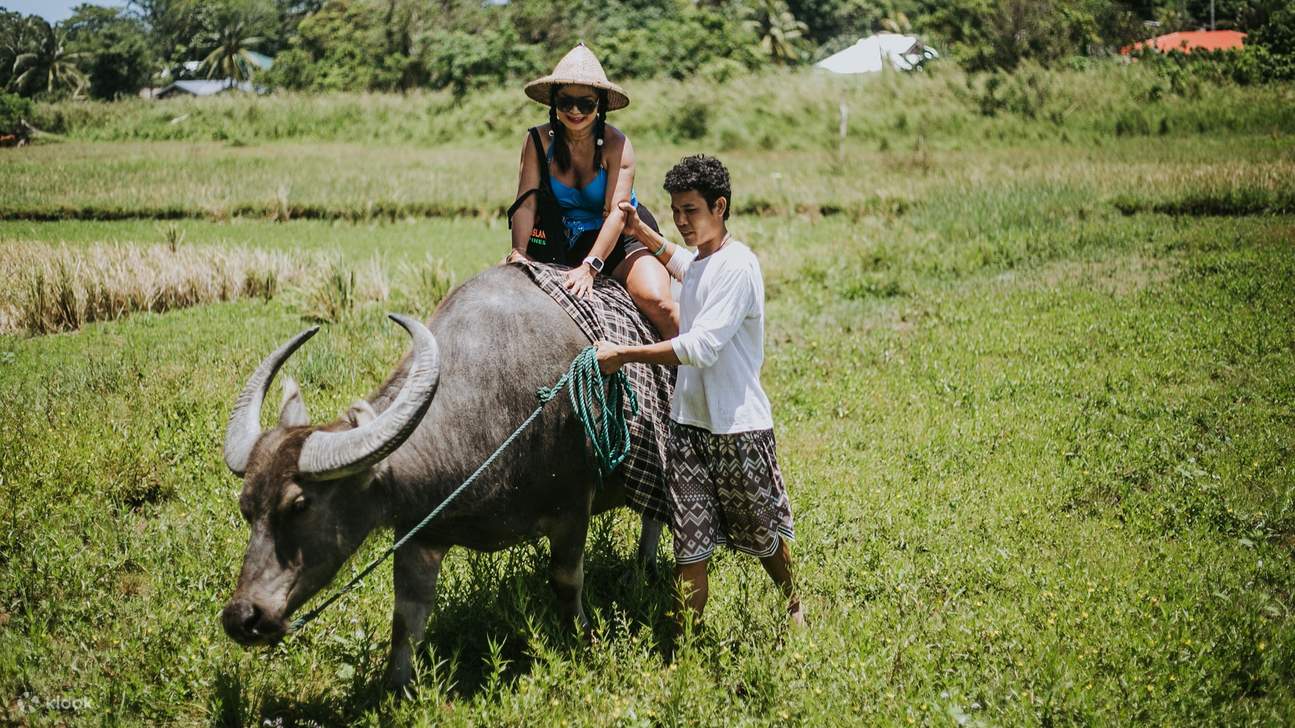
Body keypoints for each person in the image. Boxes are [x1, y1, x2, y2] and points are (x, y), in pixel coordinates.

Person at [595, 154, 803, 628]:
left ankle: (794, 601)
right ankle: (685, 646)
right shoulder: (706, 261)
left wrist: (624, 354)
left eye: (690, 210)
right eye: (675, 210)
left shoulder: (738, 266)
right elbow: (686, 266)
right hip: (687, 426)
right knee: (689, 545)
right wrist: (645, 235)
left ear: (720, 206)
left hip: (736, 427)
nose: (681, 220)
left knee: (762, 534)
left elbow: (702, 346)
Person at [507, 43, 678, 338]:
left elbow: (617, 213)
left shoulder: (617, 145)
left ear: (600, 105)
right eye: (566, 102)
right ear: (553, 102)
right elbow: (526, 202)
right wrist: (519, 252)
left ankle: (690, 373)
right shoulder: (537, 140)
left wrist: (591, 266)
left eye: (585, 104)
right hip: (560, 236)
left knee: (657, 301)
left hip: (620, 235)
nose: (575, 111)